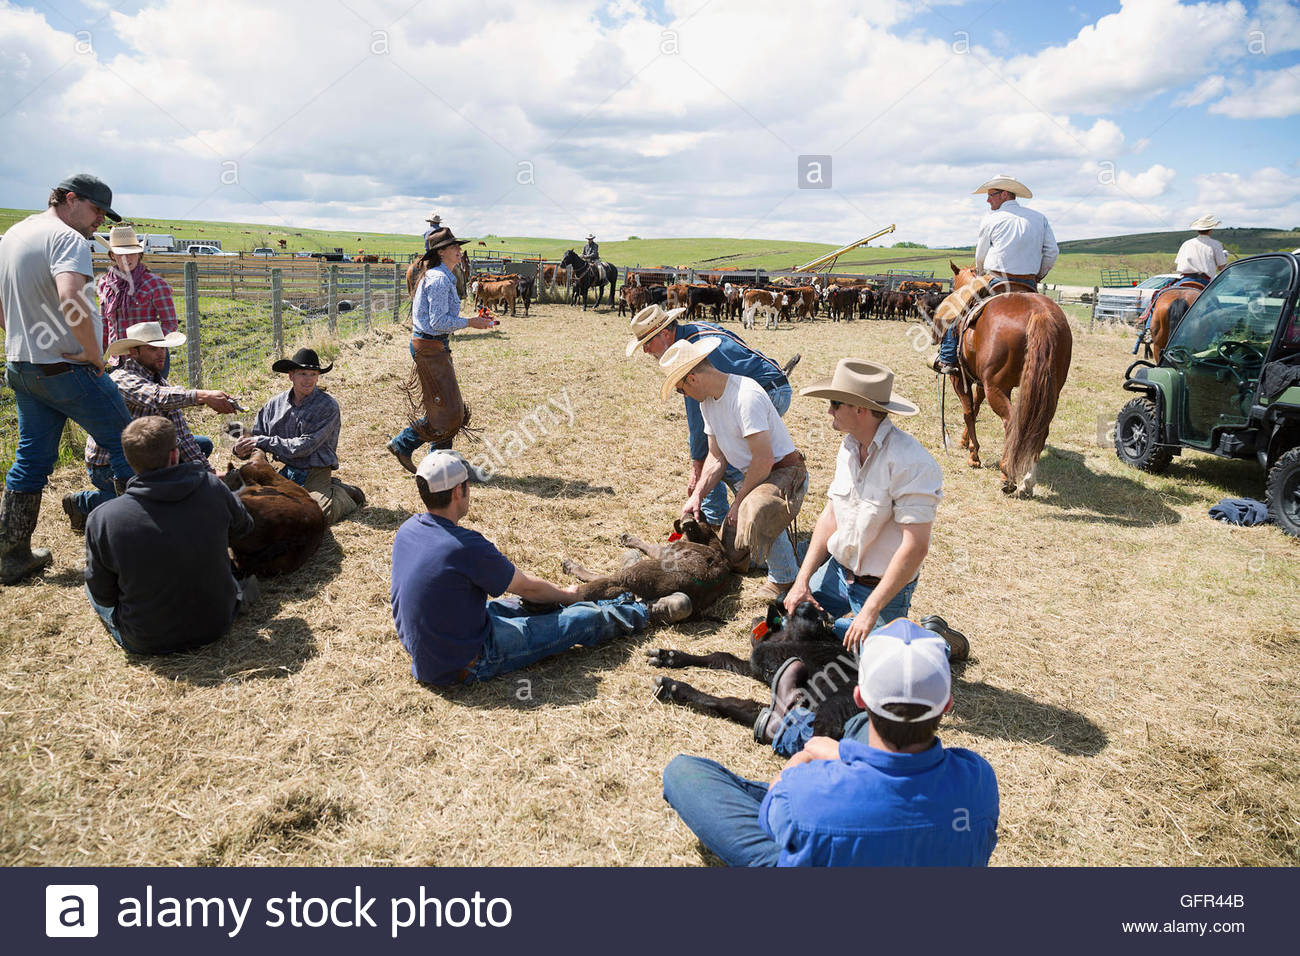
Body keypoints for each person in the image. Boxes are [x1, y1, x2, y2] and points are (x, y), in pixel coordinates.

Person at [661, 618, 999, 867]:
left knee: (683, 772)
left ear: (860, 696)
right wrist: (840, 753)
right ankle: (789, 726)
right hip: (852, 807)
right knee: (856, 729)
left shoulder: (805, 797)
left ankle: (787, 728)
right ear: (947, 706)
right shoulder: (980, 780)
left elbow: (779, 803)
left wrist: (806, 760)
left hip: (810, 819)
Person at [391, 450, 691, 685]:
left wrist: (554, 596)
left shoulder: (408, 530)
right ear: (459, 491)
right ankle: (645, 611)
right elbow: (526, 586)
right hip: (468, 659)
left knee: (529, 605)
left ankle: (598, 602)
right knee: (577, 620)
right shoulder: (463, 545)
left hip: (434, 648)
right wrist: (569, 595)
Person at [0, 173, 134, 586]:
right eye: (96, 210)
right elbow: (71, 297)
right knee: (129, 444)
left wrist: (15, 338)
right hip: (68, 370)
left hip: (23, 366)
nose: (100, 222)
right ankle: (138, 546)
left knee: (31, 459)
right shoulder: (66, 238)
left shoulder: (13, 235)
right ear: (70, 199)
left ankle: (11, 555)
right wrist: (93, 353)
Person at [783, 359, 942, 650]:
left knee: (878, 663)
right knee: (788, 627)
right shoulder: (849, 446)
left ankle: (933, 640)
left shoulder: (912, 462)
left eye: (834, 403)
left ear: (860, 409)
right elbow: (831, 514)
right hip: (838, 574)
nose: (829, 410)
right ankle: (856, 628)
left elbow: (916, 546)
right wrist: (802, 580)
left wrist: (870, 610)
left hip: (879, 588)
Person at [83, 415, 256, 655]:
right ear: (175, 455)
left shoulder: (102, 518)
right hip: (218, 622)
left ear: (128, 460)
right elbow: (245, 529)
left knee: (89, 588)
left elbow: (104, 596)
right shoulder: (212, 486)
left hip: (146, 639)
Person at [659, 338, 807, 601]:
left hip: (785, 472)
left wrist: (739, 502)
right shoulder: (708, 402)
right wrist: (698, 495)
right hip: (757, 473)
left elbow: (764, 459)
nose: (684, 396)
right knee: (731, 552)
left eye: (681, 390)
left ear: (692, 379)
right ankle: (799, 552)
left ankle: (784, 579)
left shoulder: (745, 397)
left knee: (754, 510)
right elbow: (716, 457)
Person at [627, 303, 792, 533]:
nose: (646, 351)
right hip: (767, 385)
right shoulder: (695, 334)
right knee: (716, 451)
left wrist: (697, 469)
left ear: (665, 334)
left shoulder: (693, 356)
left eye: (647, 344)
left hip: (768, 391)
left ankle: (742, 513)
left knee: (736, 457)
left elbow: (698, 418)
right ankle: (721, 513)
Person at [62, 321, 238, 530]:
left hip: (143, 454)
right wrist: (202, 395)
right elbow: (156, 398)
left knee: (202, 445)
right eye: (152, 349)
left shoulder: (159, 381)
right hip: (108, 465)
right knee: (153, 503)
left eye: (162, 348)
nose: (160, 354)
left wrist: (209, 472)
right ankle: (84, 502)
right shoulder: (121, 379)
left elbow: (180, 431)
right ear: (134, 353)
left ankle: (161, 485)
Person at [386, 229, 494, 472]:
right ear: (441, 252)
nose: (459, 249)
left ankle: (441, 462)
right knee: (447, 409)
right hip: (429, 346)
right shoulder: (438, 279)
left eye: (458, 245)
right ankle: (404, 444)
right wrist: (470, 322)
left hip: (433, 346)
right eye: (453, 246)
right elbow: (437, 322)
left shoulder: (441, 275)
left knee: (447, 406)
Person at [933, 174, 1058, 374]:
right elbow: (1052, 252)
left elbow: (980, 256)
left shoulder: (992, 219)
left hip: (997, 279)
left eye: (992, 194)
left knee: (955, 308)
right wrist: (1037, 276)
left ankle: (947, 356)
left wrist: (981, 274)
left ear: (1005, 194)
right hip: (1029, 283)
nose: (987, 199)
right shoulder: (1039, 218)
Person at [232, 347, 365, 524]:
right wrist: (242, 450)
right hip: (284, 469)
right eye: (303, 373)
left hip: (315, 471)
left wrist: (262, 441)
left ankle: (344, 494)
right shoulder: (274, 405)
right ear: (291, 376)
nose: (308, 380)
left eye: (313, 374)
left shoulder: (327, 406)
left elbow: (304, 446)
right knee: (251, 505)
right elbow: (257, 438)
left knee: (311, 518)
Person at [96, 224, 178, 372]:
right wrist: (102, 355)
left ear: (140, 254)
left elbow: (170, 323)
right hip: (118, 360)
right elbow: (104, 324)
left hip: (148, 360)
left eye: (131, 253)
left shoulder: (155, 284)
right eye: (120, 254)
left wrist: (150, 348)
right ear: (112, 255)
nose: (126, 258)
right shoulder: (105, 285)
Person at [1174, 214, 1228, 284]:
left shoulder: (1186, 243)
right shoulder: (1216, 244)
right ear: (1210, 230)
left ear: (1198, 230)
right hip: (1204, 281)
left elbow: (1178, 262)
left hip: (1185, 279)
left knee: (1161, 293)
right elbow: (1221, 267)